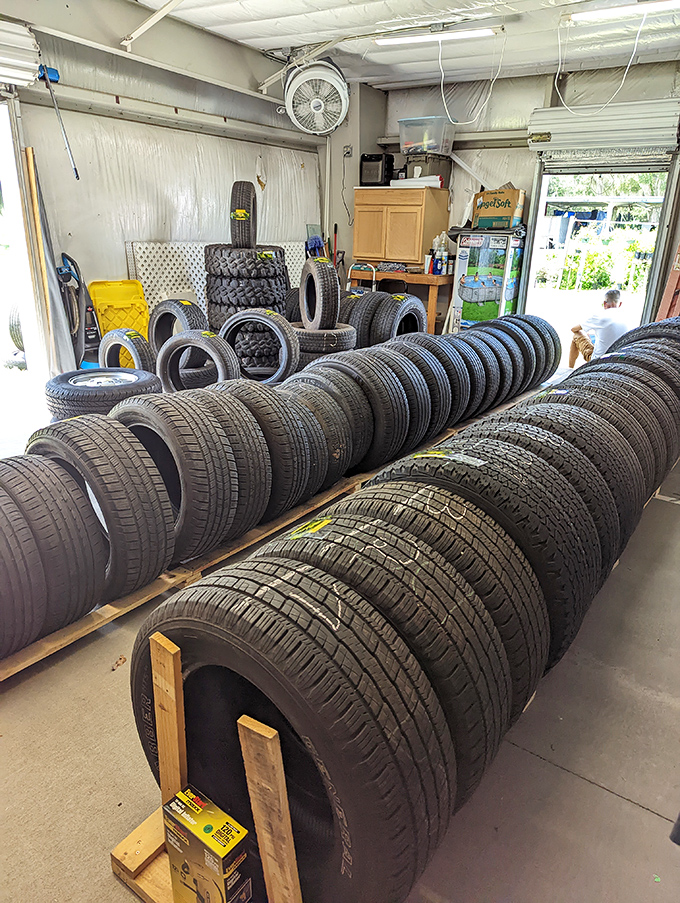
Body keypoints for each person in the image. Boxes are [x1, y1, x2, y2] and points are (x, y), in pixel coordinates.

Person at [571, 289, 630, 361]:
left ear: (604, 303)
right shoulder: (626, 317)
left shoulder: (599, 316)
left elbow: (573, 329)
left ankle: (570, 369)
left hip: (599, 361)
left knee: (576, 335)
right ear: (620, 304)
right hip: (618, 360)